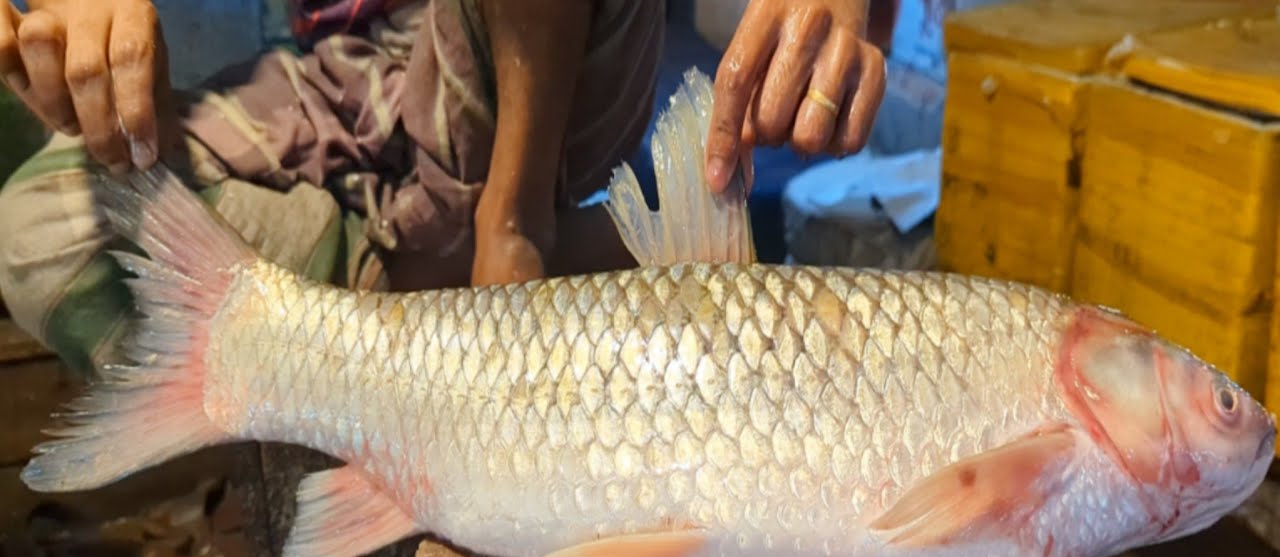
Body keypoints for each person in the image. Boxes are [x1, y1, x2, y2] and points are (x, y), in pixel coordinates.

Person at [0, 0, 887, 377]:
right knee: (39, 231)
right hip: (338, 73)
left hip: (534, 63)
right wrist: (105, 67)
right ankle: (512, 283)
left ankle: (517, 234)